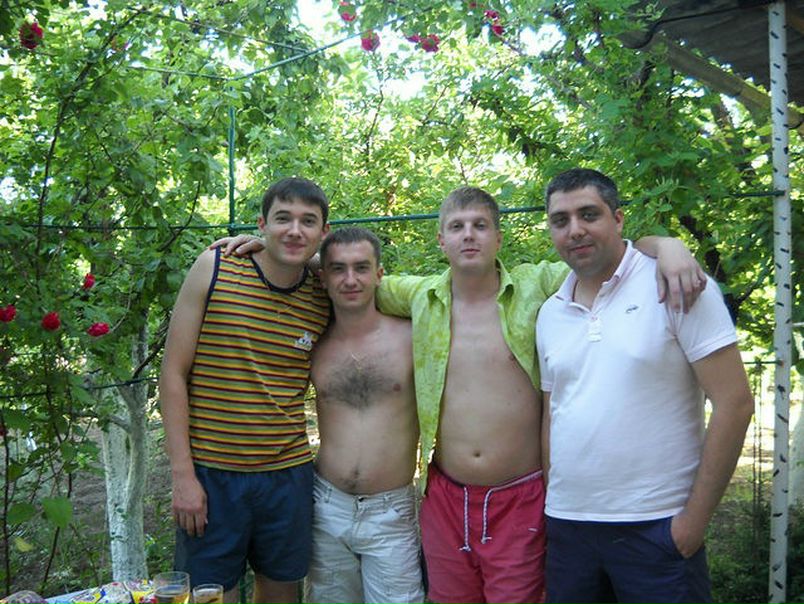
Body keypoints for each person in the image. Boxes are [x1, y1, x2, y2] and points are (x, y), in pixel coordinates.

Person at [217, 185, 704, 604]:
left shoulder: (538, 285)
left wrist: (667, 245)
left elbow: (606, 255)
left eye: (480, 225)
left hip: (519, 492)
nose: (469, 235)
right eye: (457, 226)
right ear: (441, 239)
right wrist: (271, 247)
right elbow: (345, 274)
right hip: (444, 495)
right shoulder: (420, 296)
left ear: (499, 236)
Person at [536, 168, 754, 604]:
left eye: (588, 214)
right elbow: (553, 413)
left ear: (618, 219)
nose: (575, 230)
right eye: (561, 220)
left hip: (657, 527)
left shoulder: (677, 285)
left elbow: (735, 403)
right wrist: (551, 503)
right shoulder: (550, 313)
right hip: (569, 529)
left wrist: (692, 524)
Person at [158, 177, 330, 604]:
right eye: (283, 219)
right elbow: (173, 374)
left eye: (308, 221)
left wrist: (316, 263)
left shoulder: (323, 293)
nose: (295, 230)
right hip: (212, 475)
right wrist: (183, 475)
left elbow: (367, 280)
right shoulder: (215, 267)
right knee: (211, 595)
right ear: (261, 224)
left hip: (288, 474)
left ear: (323, 232)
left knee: (282, 590)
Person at [306, 226, 424, 604]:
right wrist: (261, 246)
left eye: (361, 267)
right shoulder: (314, 343)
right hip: (327, 505)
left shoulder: (412, 336)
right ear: (323, 278)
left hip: (391, 511)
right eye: (338, 269)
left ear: (379, 274)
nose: (350, 279)